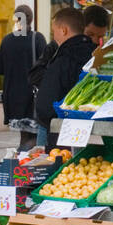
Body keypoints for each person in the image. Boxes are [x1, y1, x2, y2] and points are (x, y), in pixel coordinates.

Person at [35, 8, 97, 140]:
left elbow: (47, 103)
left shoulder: (64, 58)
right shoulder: (93, 54)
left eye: (54, 31)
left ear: (63, 30)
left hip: (59, 130)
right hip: (86, 128)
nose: (54, 36)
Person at [0, 5, 46, 152]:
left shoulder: (7, 41)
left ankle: (20, 163)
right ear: (32, 19)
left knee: (25, 136)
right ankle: (21, 159)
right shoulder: (38, 39)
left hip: (12, 97)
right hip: (32, 96)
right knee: (36, 138)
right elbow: (46, 66)